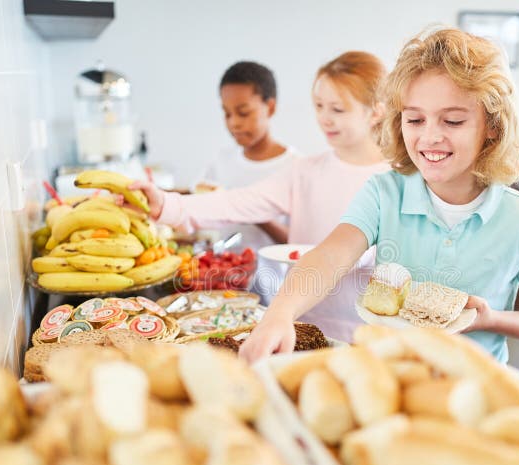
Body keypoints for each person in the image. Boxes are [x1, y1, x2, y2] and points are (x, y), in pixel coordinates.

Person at [239, 27, 519, 363]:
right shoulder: (383, 193)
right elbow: (327, 258)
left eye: (452, 121)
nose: (430, 136)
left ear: (493, 126)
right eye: (415, 119)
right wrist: (279, 314)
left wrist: (490, 320)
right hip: (387, 373)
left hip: (473, 380)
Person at [131, 51, 389, 341]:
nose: (324, 119)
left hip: (370, 333)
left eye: (337, 110)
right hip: (300, 326)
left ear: (375, 112)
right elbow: (239, 201)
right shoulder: (304, 171)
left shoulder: (397, 178)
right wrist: (166, 204)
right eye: (319, 106)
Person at [196, 60, 300, 248]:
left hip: (273, 268)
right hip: (224, 265)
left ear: (270, 108)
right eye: (227, 113)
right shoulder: (222, 160)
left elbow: (301, 243)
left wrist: (253, 212)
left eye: (243, 113)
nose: (234, 123)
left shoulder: (295, 166)